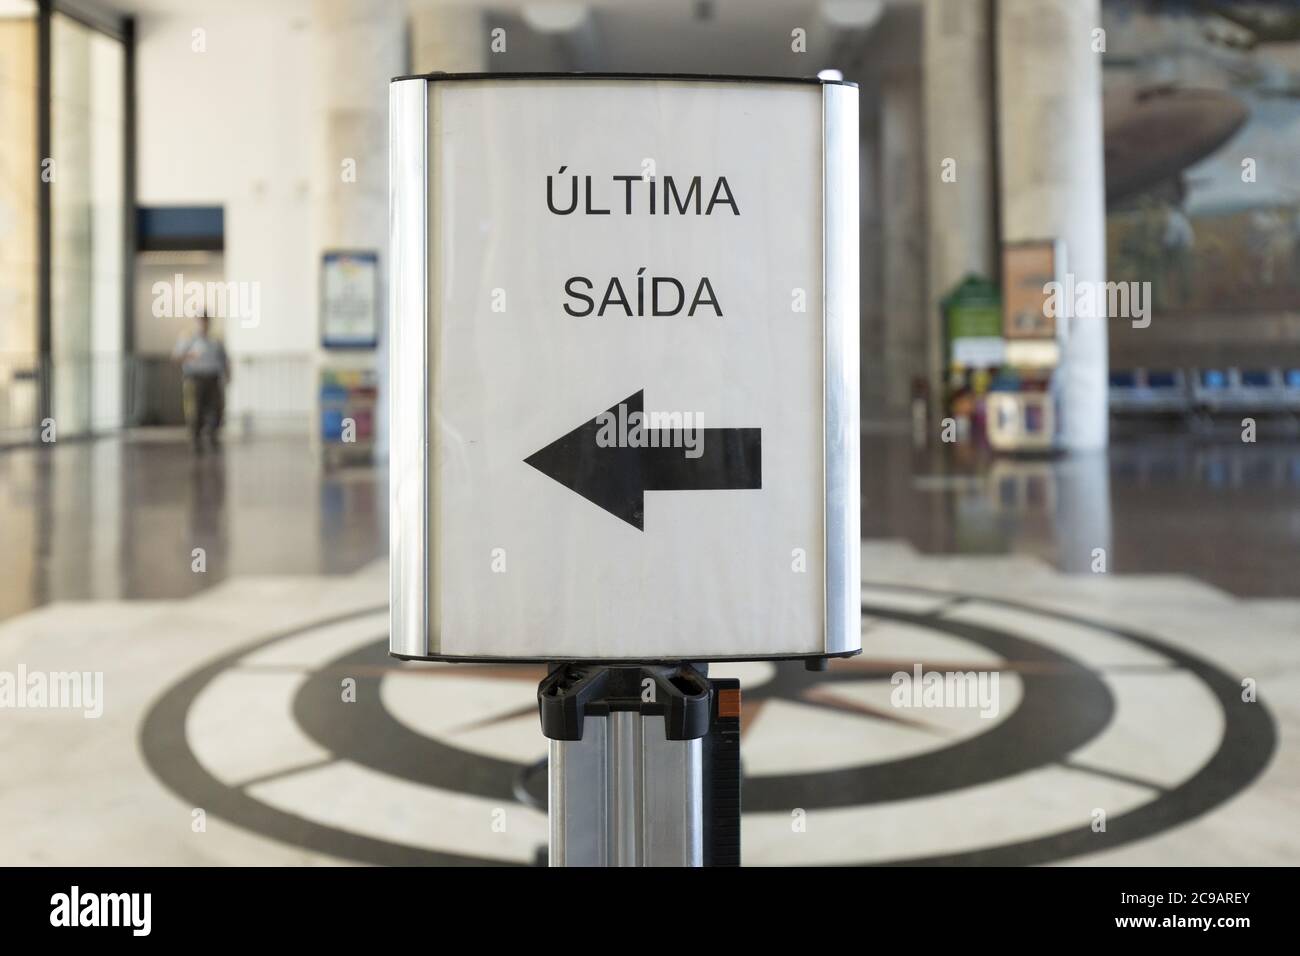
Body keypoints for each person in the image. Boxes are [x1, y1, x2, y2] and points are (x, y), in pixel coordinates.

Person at [172, 314, 230, 453]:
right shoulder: (188, 337)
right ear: (197, 322)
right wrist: (189, 356)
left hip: (213, 377)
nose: (204, 324)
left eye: (206, 321)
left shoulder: (216, 339)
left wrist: (228, 375)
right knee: (195, 410)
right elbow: (176, 357)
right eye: (201, 321)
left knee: (216, 408)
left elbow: (224, 358)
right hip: (195, 378)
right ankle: (196, 439)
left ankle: (213, 436)